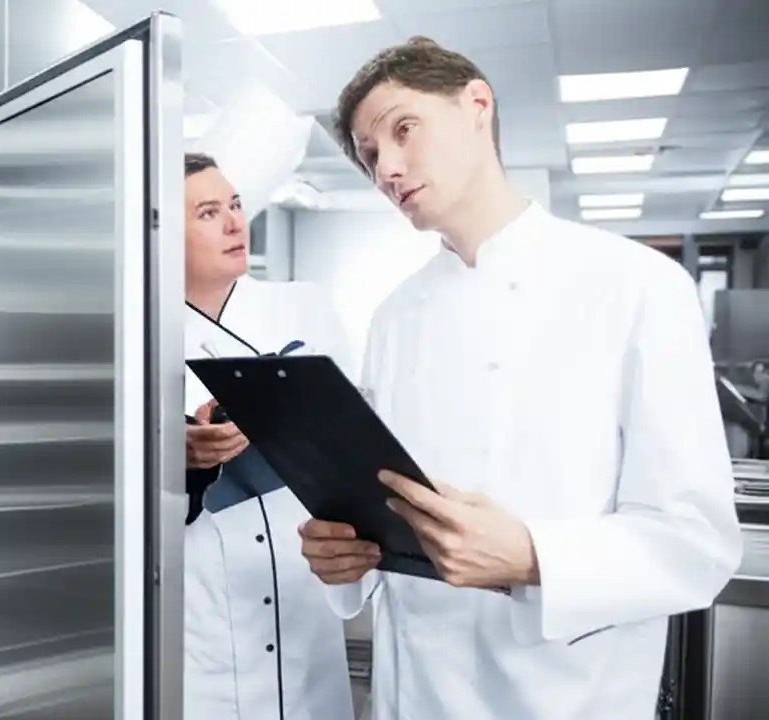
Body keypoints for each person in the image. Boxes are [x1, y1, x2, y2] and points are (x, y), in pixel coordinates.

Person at [298, 36, 742, 719]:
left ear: (477, 104)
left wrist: (534, 556)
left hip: (565, 691)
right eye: (368, 155)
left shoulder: (638, 285)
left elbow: (697, 543)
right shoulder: (394, 315)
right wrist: (347, 554)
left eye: (402, 130)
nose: (387, 168)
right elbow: (389, 498)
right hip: (412, 689)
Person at [182, 152, 356, 720]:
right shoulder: (132, 336)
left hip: (302, 580)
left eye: (234, 204)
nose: (236, 222)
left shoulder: (302, 306)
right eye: (209, 212)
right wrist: (179, 455)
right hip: (204, 605)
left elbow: (355, 432)